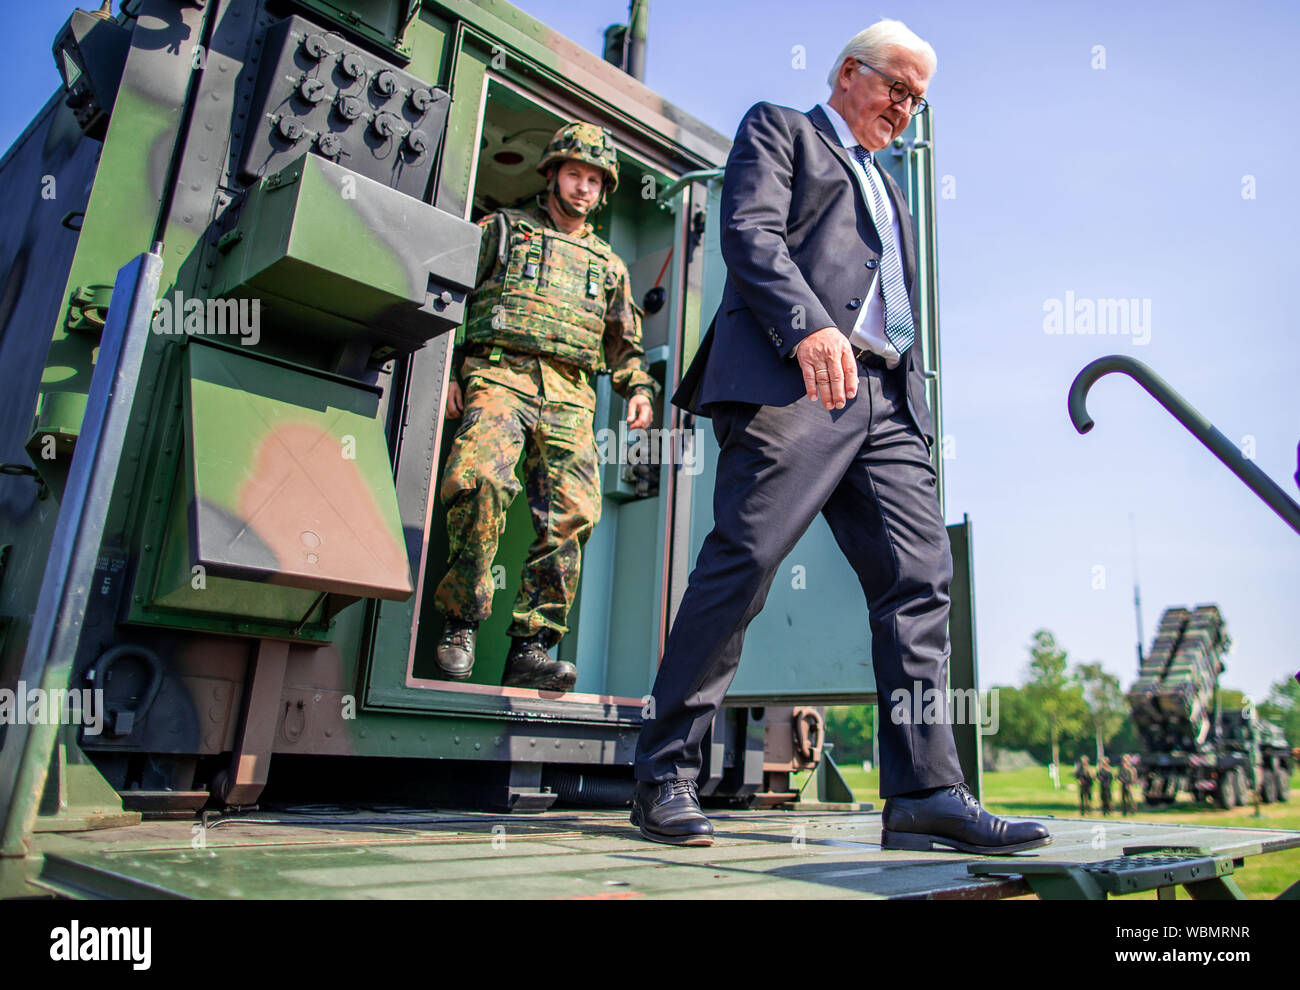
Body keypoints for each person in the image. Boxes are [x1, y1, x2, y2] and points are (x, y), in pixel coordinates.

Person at [628, 20, 1050, 855]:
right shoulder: (779, 129)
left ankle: (927, 791)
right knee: (744, 562)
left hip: (886, 401)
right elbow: (751, 234)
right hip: (800, 381)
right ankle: (663, 773)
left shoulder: (891, 184)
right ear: (851, 72)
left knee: (921, 582)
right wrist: (807, 328)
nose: (905, 109)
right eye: (898, 88)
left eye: (918, 101)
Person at [433, 122, 658, 691]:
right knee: (479, 478)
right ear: (553, 174)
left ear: (604, 191)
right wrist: (448, 367)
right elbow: (449, 295)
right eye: (574, 174)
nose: (582, 187)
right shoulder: (502, 230)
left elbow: (623, 342)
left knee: (574, 514)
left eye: (593, 179)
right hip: (497, 375)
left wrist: (637, 388)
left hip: (570, 394)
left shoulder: (608, 264)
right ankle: (461, 621)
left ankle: (533, 646)